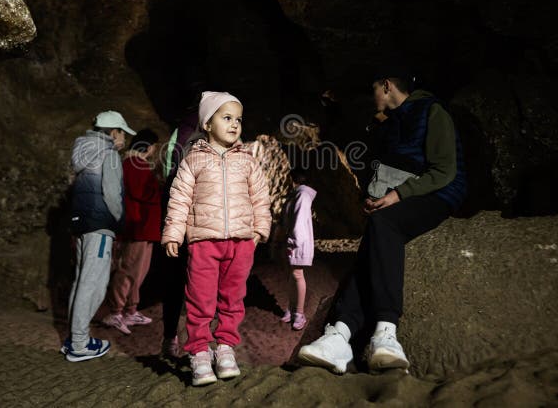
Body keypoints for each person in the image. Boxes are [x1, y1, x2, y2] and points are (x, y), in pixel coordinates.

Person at [298, 70, 466, 374]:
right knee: (377, 235)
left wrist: (398, 196)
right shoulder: (388, 124)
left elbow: (444, 170)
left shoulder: (433, 112)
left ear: (387, 85)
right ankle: (340, 335)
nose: (370, 95)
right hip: (401, 198)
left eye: (373, 88)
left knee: (384, 224)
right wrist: (375, 196)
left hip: (438, 194)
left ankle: (385, 332)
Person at [162, 91, 272, 386]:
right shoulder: (193, 160)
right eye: (227, 118)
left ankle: (225, 348)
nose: (235, 124)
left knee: (233, 299)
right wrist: (173, 232)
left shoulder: (247, 161)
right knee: (200, 299)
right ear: (207, 124)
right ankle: (199, 352)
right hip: (203, 241)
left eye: (238, 119)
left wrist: (260, 229)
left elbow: (261, 197)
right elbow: (179, 198)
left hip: (241, 241)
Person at [60, 110, 136, 362]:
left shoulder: (84, 150)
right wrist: (120, 221)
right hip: (100, 225)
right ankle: (80, 344)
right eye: (123, 132)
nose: (124, 138)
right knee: (93, 284)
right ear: (112, 132)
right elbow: (113, 195)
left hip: (80, 224)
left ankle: (74, 339)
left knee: (81, 282)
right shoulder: (109, 154)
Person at [102, 129, 162, 335]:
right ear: (148, 146)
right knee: (128, 270)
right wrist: (161, 188)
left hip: (144, 227)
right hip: (137, 226)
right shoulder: (133, 165)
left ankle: (130, 310)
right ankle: (116, 312)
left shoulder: (135, 164)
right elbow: (141, 192)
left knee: (138, 272)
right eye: (154, 145)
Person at [159, 109, 199, 358]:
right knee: (195, 281)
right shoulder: (206, 133)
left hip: (182, 218)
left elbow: (167, 171)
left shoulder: (181, 131)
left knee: (178, 281)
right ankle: (191, 341)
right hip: (194, 222)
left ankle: (172, 339)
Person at [280, 169, 317, 331]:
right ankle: (292, 307)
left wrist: (293, 241)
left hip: (298, 242)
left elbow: (299, 222)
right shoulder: (297, 194)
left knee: (297, 274)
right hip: (294, 241)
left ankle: (299, 313)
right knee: (291, 275)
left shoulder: (302, 196)